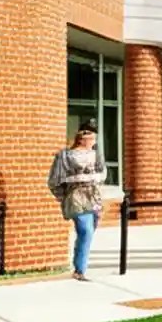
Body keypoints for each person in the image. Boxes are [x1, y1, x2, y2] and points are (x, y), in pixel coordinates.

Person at [47, 121, 106, 282]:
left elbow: (103, 175)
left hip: (93, 197)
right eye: (92, 138)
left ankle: (78, 263)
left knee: (88, 232)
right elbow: (53, 182)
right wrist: (64, 197)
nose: (94, 142)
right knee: (86, 230)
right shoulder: (65, 156)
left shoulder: (96, 155)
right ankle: (80, 270)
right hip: (76, 197)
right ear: (83, 138)